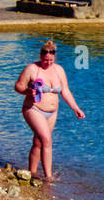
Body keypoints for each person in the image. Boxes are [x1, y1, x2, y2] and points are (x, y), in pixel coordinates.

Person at [13, 39, 84, 182]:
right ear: (41, 56)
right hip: (34, 108)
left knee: (39, 142)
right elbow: (18, 86)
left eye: (51, 60)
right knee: (47, 140)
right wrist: (28, 92)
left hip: (52, 112)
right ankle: (49, 178)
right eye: (46, 60)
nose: (48, 63)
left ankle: (32, 172)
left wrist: (75, 108)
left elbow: (65, 91)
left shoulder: (59, 70)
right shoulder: (32, 69)